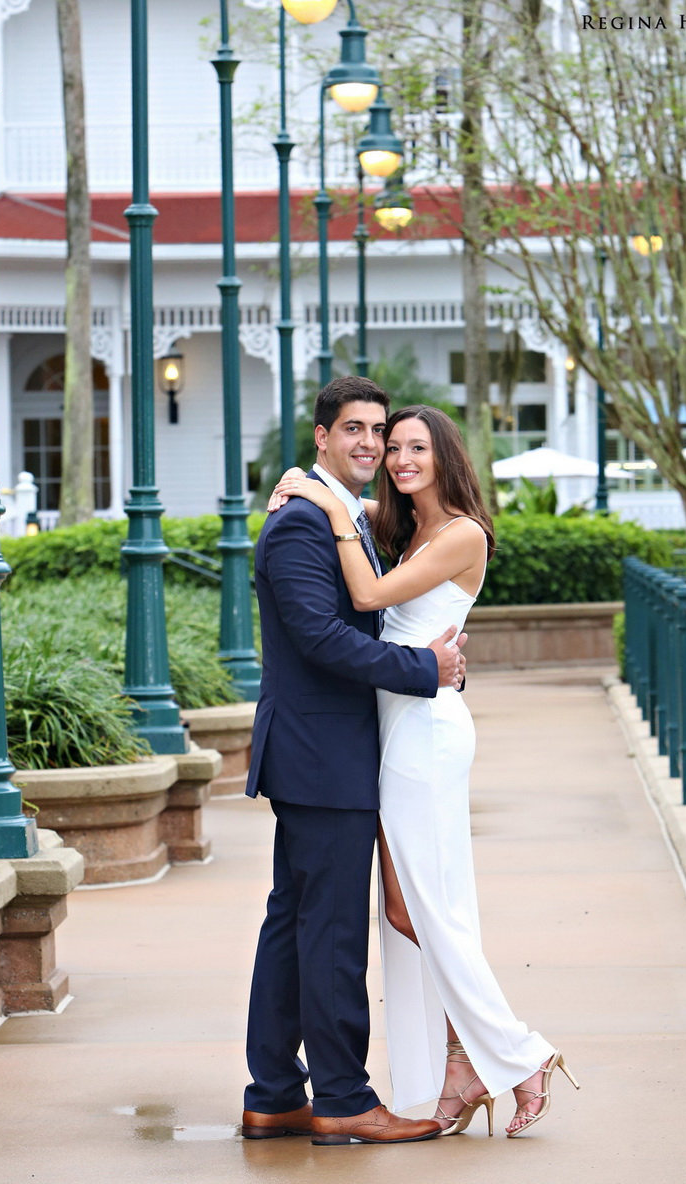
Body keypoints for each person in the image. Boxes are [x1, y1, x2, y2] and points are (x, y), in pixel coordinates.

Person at [274, 403, 579, 1139]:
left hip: (425, 735)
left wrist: (324, 503)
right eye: (390, 444)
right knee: (409, 911)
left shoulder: (463, 533)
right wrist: (307, 484)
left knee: (429, 908)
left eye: (415, 446)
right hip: (394, 728)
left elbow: (369, 597)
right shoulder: (408, 529)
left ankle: (516, 1054)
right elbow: (364, 543)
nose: (398, 456)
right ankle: (461, 1061)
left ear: (445, 454)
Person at [241, 376, 465, 1147]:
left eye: (380, 430)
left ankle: (274, 1093)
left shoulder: (333, 512)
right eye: (356, 430)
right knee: (330, 933)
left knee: (295, 926)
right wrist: (423, 671)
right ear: (323, 437)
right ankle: (342, 1098)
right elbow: (321, 639)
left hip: (324, 751)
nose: (371, 443)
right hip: (320, 752)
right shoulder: (303, 524)